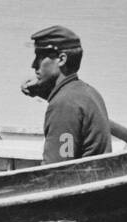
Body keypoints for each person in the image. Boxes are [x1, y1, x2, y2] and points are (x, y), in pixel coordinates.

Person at [20, 26, 111, 164]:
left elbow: (56, 172)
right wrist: (42, 90)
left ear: (62, 59)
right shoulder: (88, 93)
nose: (33, 65)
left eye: (40, 57)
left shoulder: (64, 104)